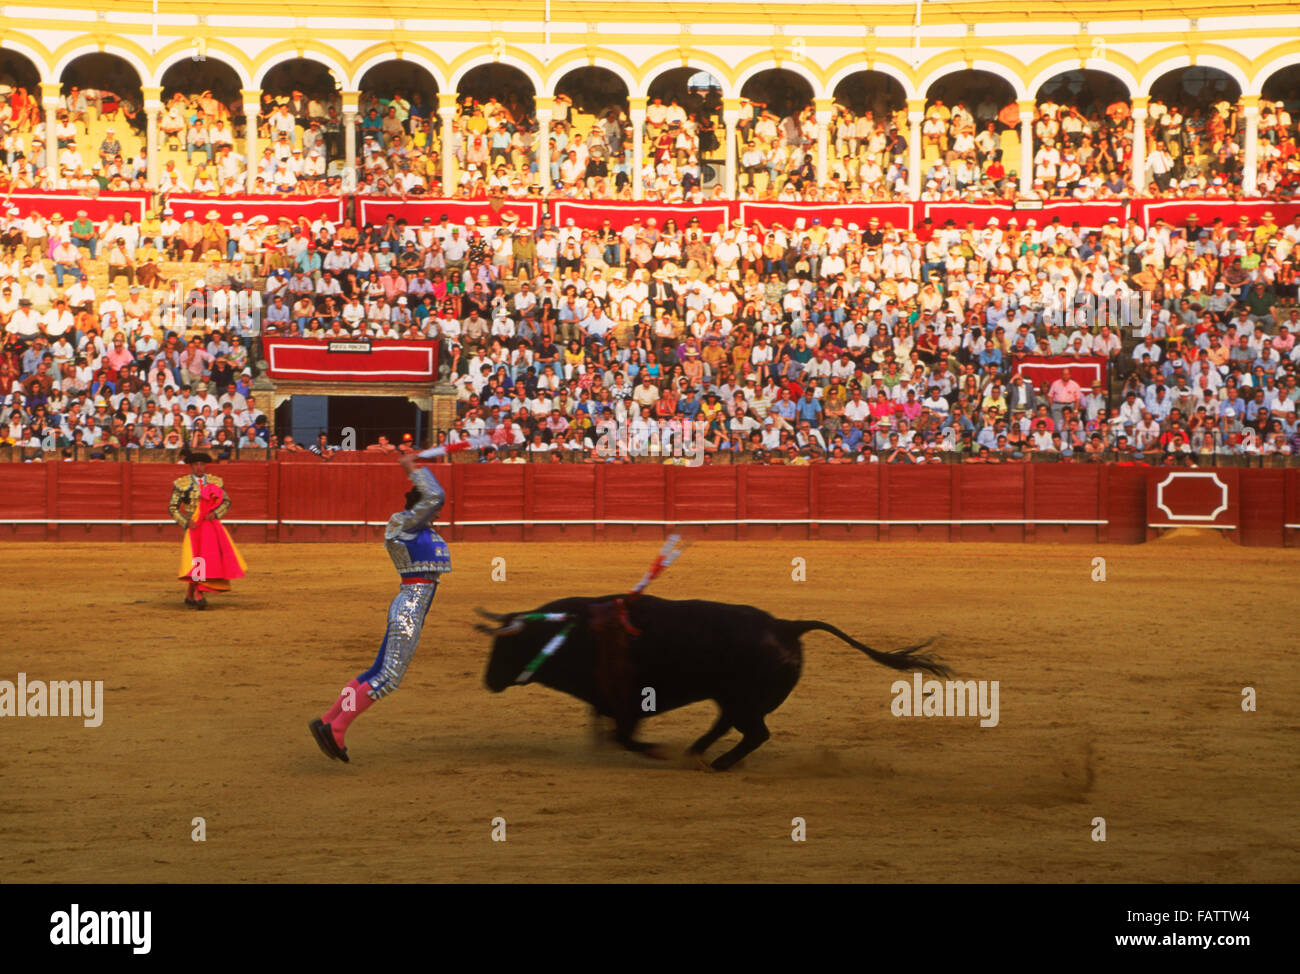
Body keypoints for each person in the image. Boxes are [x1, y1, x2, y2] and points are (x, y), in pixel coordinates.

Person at [310, 453, 451, 762]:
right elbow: (435, 495)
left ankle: (328, 719)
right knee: (388, 677)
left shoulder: (414, 528)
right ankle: (338, 728)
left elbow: (434, 499)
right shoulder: (406, 524)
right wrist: (411, 468)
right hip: (411, 607)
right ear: (422, 507)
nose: (438, 513)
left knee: (375, 671)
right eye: (434, 510)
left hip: (407, 603)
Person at [168, 450, 246, 608]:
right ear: (191, 466)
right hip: (193, 525)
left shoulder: (215, 482)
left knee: (204, 558)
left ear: (206, 466)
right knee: (197, 559)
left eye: (202, 464)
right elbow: (173, 507)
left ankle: (191, 594)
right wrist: (185, 521)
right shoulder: (182, 483)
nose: (199, 467)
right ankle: (198, 594)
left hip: (209, 526)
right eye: (196, 464)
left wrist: (215, 513)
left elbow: (226, 502)